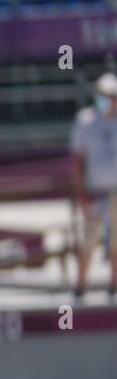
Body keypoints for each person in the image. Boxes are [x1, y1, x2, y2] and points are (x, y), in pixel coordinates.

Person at [68, 72, 117, 300]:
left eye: (111, 95)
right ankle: (80, 287)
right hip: (94, 192)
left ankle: (114, 287)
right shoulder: (85, 121)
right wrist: (81, 195)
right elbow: (77, 161)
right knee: (89, 240)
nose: (106, 99)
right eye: (103, 94)